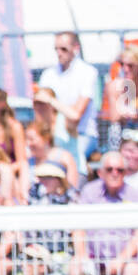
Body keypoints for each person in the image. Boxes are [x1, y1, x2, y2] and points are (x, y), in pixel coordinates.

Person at [74, 149, 138, 275]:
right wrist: (82, 255)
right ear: (100, 172)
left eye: (120, 170)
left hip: (125, 261)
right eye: (109, 169)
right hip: (93, 258)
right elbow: (78, 227)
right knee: (76, 267)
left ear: (126, 172)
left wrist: (120, 260)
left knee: (134, 271)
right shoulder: (89, 193)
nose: (115, 173)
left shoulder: (136, 196)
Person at [38, 31, 100, 172]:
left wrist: (51, 101)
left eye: (63, 49)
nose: (59, 53)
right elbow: (42, 110)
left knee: (67, 159)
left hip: (82, 134)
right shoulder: (48, 74)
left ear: (76, 48)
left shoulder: (88, 72)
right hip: (53, 134)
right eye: (56, 49)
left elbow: (76, 114)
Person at [25, 121, 79, 190]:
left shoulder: (64, 157)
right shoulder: (27, 161)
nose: (28, 143)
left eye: (31, 139)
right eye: (26, 139)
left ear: (46, 139)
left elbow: (72, 188)